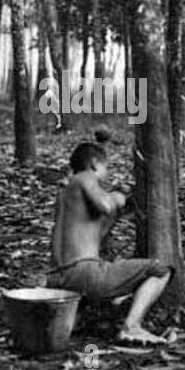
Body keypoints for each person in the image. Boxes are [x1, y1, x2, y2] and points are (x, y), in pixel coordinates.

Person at [47, 141, 171, 344]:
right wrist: (118, 196)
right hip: (83, 273)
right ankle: (131, 327)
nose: (107, 174)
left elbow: (97, 233)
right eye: (107, 168)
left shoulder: (66, 193)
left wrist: (120, 208)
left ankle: (77, 319)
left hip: (57, 277)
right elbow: (105, 205)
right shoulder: (84, 177)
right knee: (160, 269)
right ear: (95, 163)